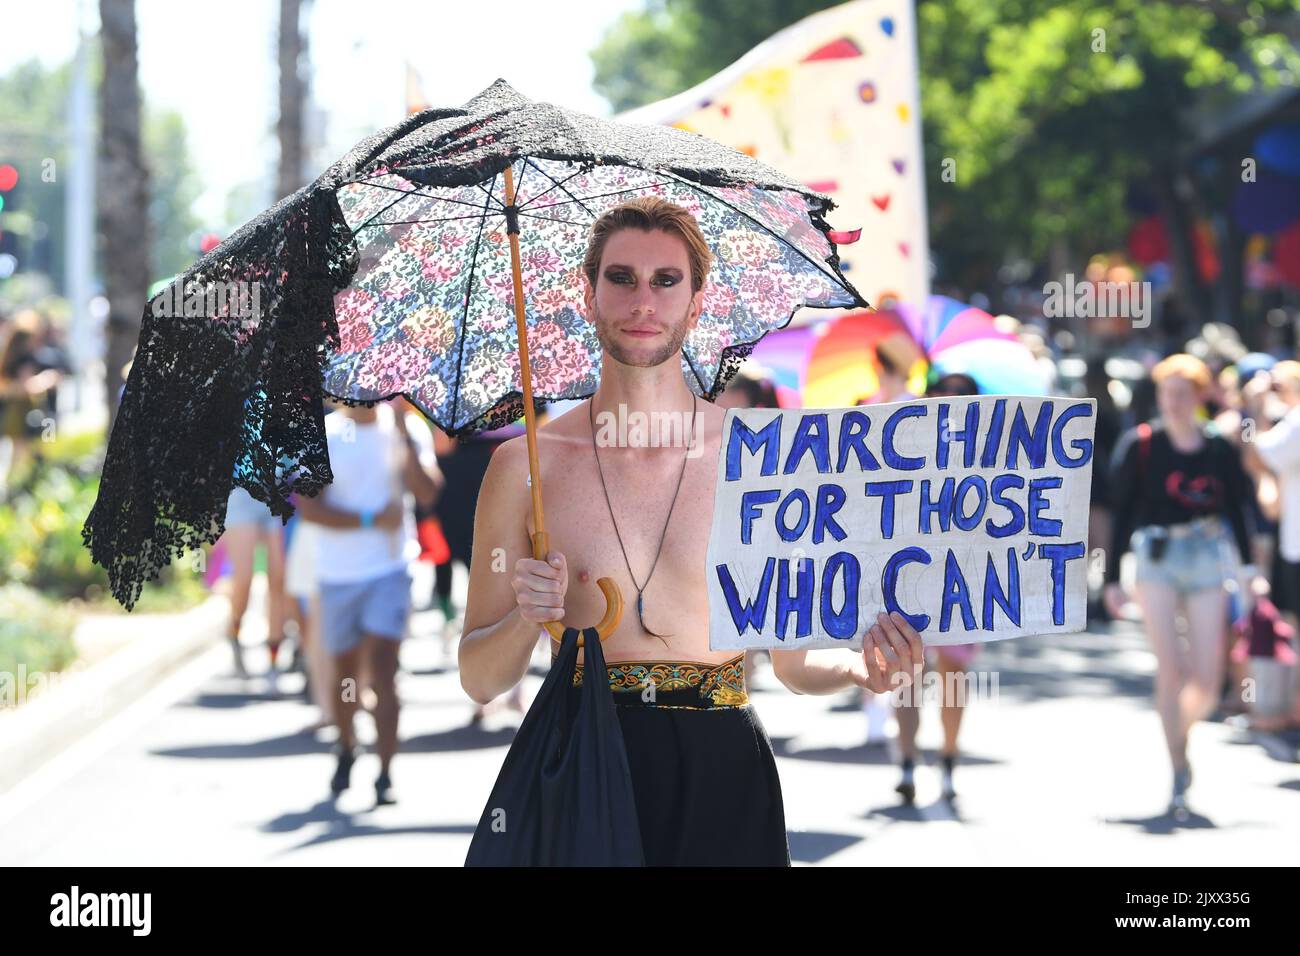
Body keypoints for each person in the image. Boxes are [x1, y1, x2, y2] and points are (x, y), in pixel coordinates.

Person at [459, 197, 924, 866]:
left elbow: (792, 665)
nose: (643, 300)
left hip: (724, 773)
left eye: (666, 280)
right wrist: (527, 619)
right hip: (585, 766)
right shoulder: (524, 467)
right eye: (621, 278)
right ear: (588, 292)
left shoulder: (760, 457)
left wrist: (862, 670)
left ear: (698, 299)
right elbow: (478, 678)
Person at [1104, 354, 1261, 817]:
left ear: (1198, 398)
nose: (1172, 403)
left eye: (1181, 394)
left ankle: (1180, 730)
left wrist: (1251, 570)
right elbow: (1121, 514)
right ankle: (1177, 765)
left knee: (1208, 680)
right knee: (1171, 668)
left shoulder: (1218, 448)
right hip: (1157, 558)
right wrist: (1111, 580)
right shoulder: (1142, 444)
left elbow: (1238, 509)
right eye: (1165, 394)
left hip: (1208, 555)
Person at [296, 397, 440, 805]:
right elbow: (310, 509)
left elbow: (427, 493)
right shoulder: (324, 437)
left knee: (383, 671)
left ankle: (386, 769)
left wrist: (400, 435)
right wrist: (369, 520)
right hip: (338, 575)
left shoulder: (406, 429)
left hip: (391, 571)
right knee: (346, 680)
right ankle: (346, 745)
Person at [891, 370, 981, 804]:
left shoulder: (988, 453)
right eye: (941, 392)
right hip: (910, 576)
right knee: (906, 673)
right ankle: (907, 760)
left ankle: (948, 759)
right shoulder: (906, 441)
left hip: (963, 579)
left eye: (960, 395)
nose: (949, 400)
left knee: (953, 676)